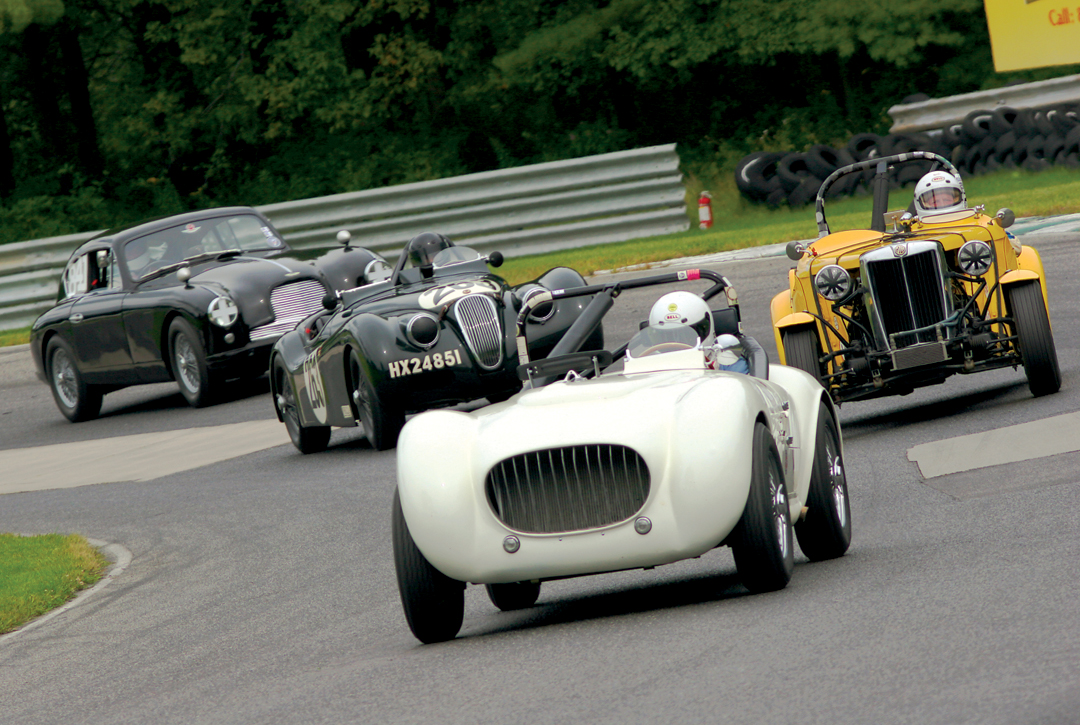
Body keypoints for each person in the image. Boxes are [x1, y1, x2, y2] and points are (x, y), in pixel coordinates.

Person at [644, 291, 750, 374]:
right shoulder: (646, 368)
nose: (676, 343)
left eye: (686, 336)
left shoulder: (727, 362)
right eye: (665, 337)